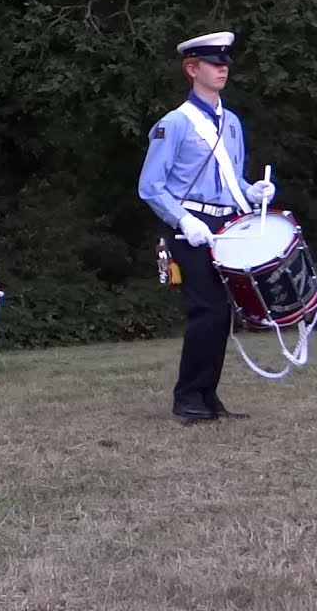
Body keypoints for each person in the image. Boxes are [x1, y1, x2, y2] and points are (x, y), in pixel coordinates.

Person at [137, 31, 276, 424]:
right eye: (215, 63)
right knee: (207, 309)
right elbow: (150, 187)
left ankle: (207, 396)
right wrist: (183, 219)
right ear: (192, 68)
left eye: (226, 63)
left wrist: (254, 190)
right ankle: (188, 397)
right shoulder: (175, 123)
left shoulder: (231, 122)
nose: (223, 69)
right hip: (189, 225)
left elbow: (232, 180)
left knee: (222, 312)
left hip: (226, 221)